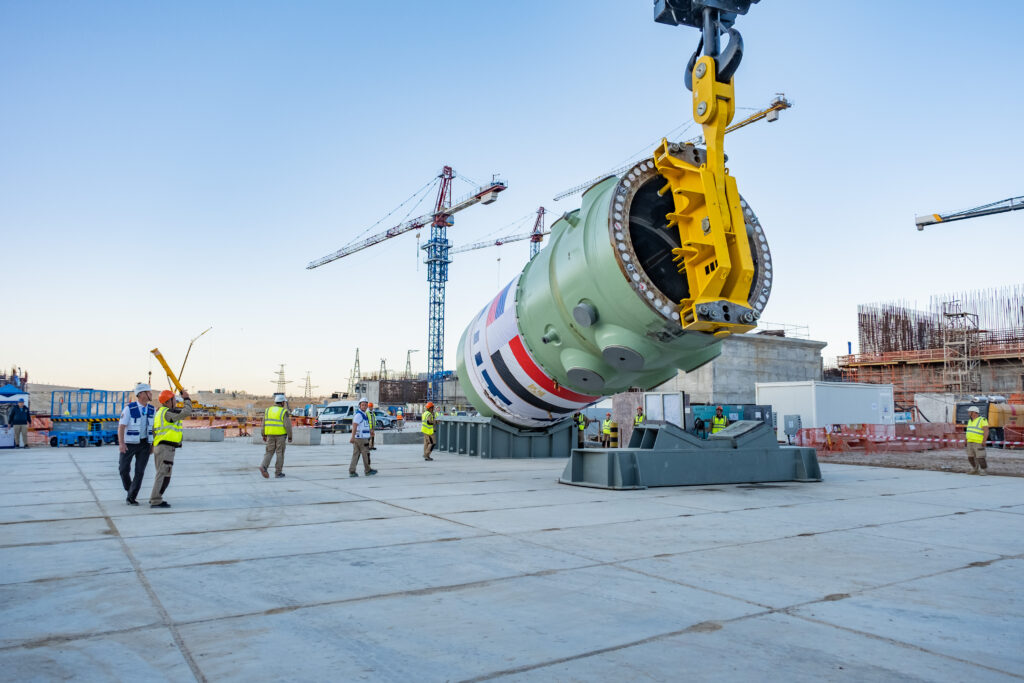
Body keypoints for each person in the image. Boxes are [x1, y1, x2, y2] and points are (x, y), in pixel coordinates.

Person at [149, 389, 192, 508]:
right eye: (174, 399)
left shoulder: (160, 412)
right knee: (162, 474)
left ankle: (156, 497)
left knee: (164, 475)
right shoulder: (167, 413)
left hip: (162, 447)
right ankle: (155, 500)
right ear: (168, 401)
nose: (176, 402)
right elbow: (186, 412)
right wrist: (186, 399)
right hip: (165, 448)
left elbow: (154, 431)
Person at [118, 383, 155, 505]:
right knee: (123, 469)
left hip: (145, 444)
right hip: (129, 443)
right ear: (141, 394)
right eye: (148, 392)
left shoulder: (152, 409)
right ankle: (130, 489)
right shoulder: (129, 409)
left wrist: (152, 445)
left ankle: (131, 497)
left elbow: (154, 429)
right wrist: (121, 443)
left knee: (140, 471)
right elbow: (121, 427)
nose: (151, 394)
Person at [260, 394, 292, 479]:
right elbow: (287, 425)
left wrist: (263, 434)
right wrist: (290, 436)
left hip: (270, 435)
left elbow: (263, 423)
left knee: (269, 452)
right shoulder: (283, 411)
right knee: (279, 453)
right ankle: (278, 473)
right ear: (282, 402)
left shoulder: (268, 410)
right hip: (280, 436)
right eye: (284, 402)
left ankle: (263, 466)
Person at [349, 398, 377, 477]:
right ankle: (368, 470)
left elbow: (363, 426)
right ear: (359, 406)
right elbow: (354, 426)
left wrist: (370, 431)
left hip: (359, 438)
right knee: (366, 454)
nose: (364, 406)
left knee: (356, 455)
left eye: (365, 405)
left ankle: (352, 471)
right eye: (362, 405)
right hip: (361, 439)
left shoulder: (363, 414)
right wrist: (352, 437)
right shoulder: (359, 415)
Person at [965, 406, 990, 475]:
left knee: (980, 457)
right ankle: (974, 469)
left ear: (974, 412)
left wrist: (984, 441)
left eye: (969, 412)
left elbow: (986, 430)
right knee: (970, 457)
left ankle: (983, 470)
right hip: (970, 442)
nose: (968, 413)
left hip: (978, 442)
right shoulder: (970, 421)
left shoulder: (982, 420)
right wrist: (966, 439)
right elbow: (968, 431)